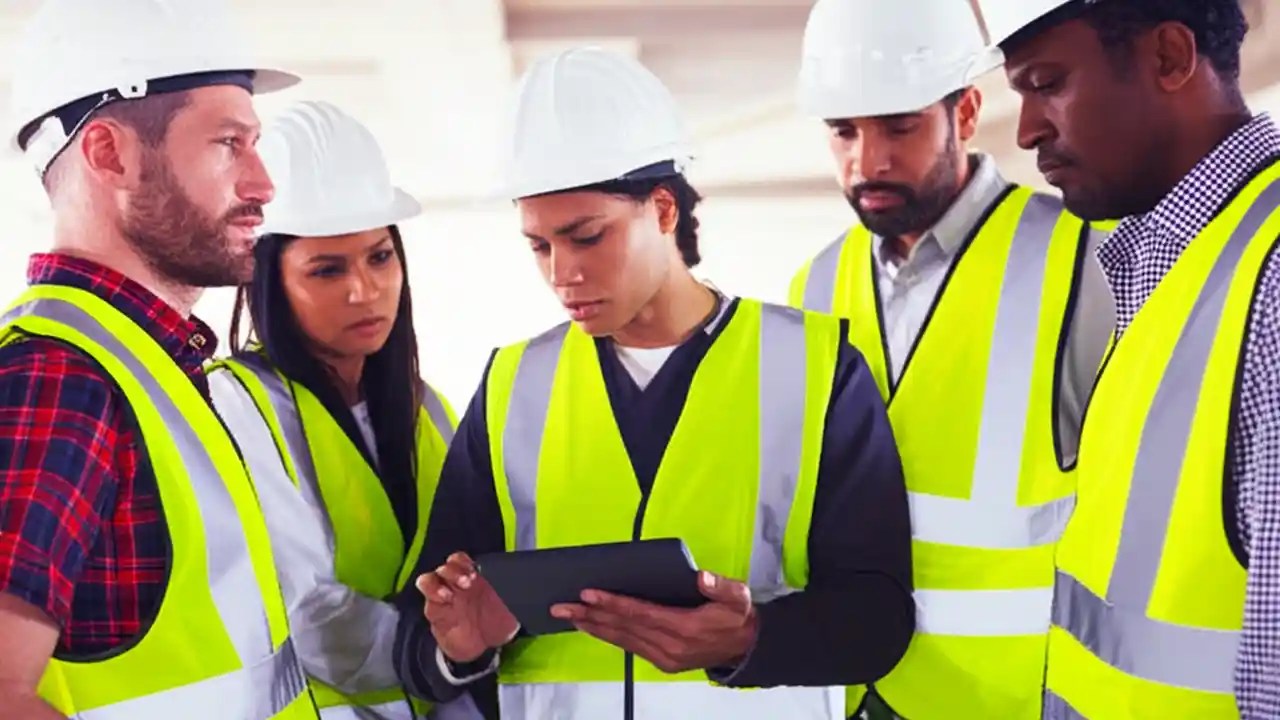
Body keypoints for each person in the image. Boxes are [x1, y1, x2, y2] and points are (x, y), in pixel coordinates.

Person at [390, 46, 915, 720]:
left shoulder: (817, 368)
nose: (561, 273)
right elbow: (424, 630)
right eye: (539, 245)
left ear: (663, 210)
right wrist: (458, 650)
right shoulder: (512, 385)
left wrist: (754, 637)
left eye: (587, 237)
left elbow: (878, 619)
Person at [786, 1, 1115, 718]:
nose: (867, 161)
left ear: (965, 112)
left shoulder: (1082, 258)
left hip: (1013, 699)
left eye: (900, 127)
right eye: (843, 131)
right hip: (851, 688)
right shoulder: (812, 285)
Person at [0, 0, 320, 718]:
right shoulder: (58, 379)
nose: (264, 182)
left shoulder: (153, 367)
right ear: (110, 153)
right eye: (228, 143)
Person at [976, 0, 1280, 717]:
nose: (1026, 131)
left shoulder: (1268, 281)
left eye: (1047, 83)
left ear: (1170, 57)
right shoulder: (1171, 264)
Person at [207, 100, 482, 720]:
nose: (364, 290)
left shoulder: (425, 408)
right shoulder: (238, 405)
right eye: (327, 270)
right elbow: (303, 606)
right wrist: (443, 653)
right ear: (268, 280)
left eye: (379, 257)